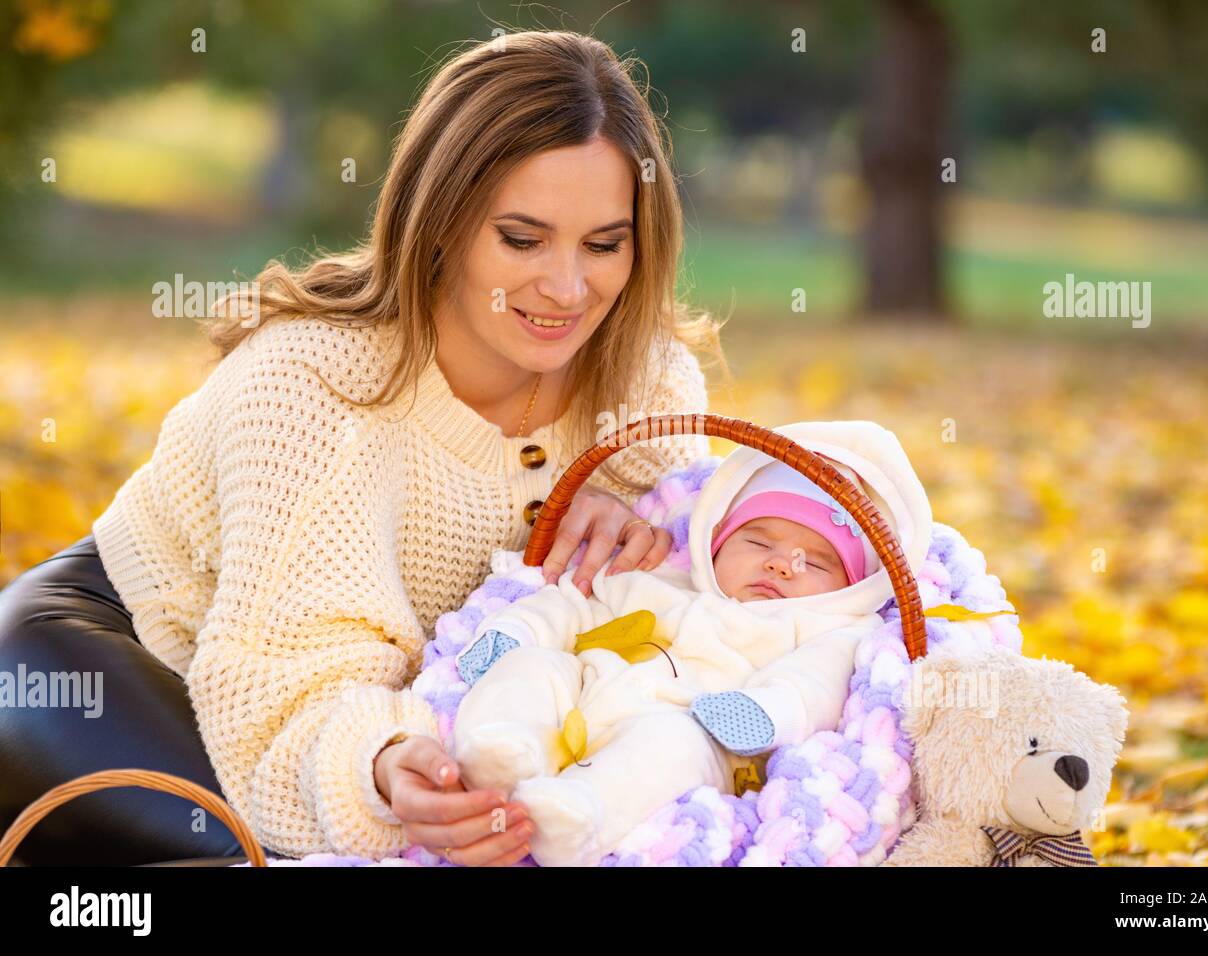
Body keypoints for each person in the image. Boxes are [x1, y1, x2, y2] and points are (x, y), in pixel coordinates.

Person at [0, 29, 728, 866]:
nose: (567, 287)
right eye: (522, 240)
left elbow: (693, 628)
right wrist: (382, 768)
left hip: (378, 711)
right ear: (443, 223)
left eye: (605, 244)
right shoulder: (318, 386)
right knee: (266, 861)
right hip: (111, 655)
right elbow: (289, 677)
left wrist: (653, 530)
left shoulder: (648, 385)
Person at [451, 420, 933, 865]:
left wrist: (763, 711)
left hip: (698, 730)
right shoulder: (661, 582)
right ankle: (504, 751)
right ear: (716, 543)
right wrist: (516, 633)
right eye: (759, 543)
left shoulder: (829, 629)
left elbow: (816, 685)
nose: (782, 565)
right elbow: (573, 602)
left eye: (816, 562)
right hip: (582, 702)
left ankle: (580, 815)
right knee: (535, 666)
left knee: (671, 743)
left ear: (849, 585)